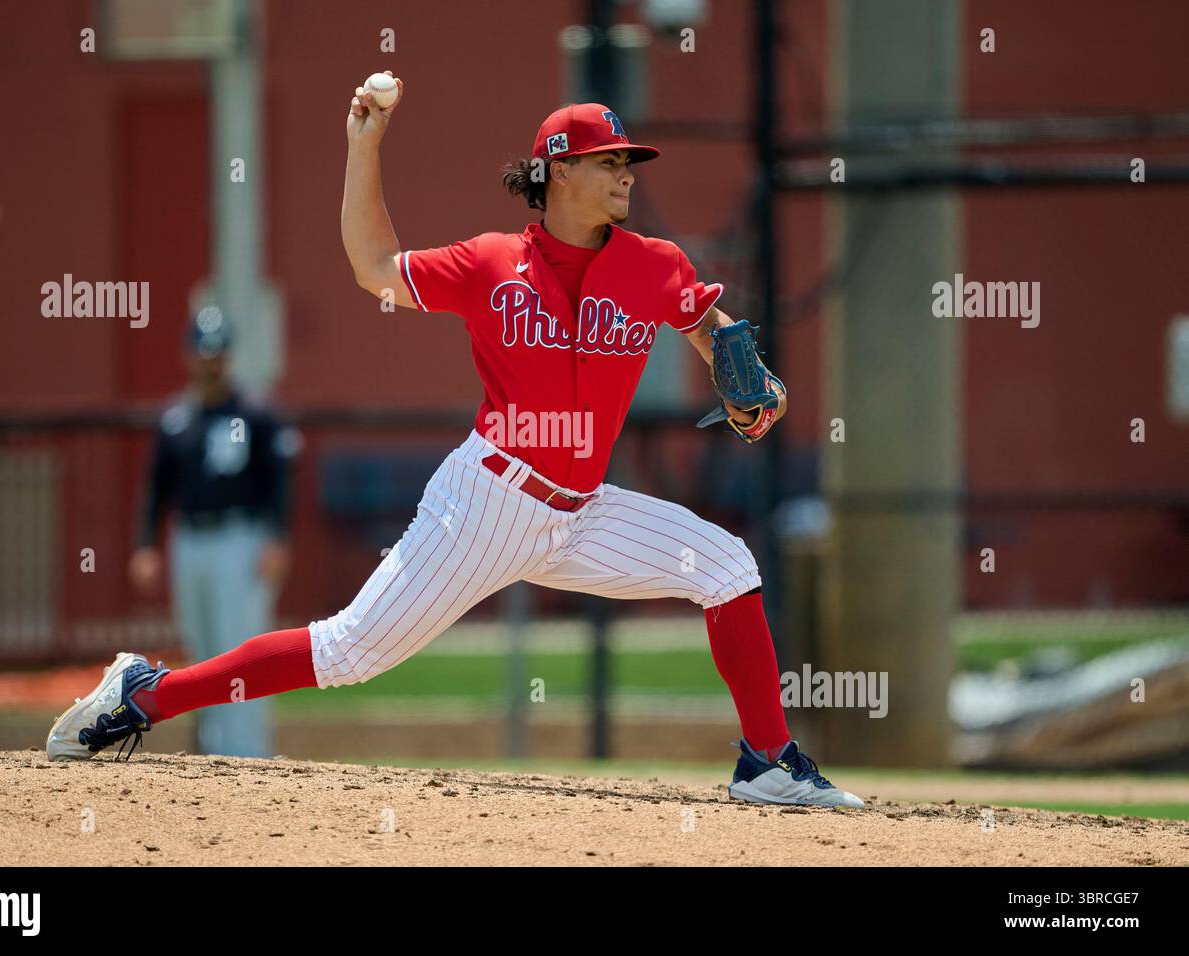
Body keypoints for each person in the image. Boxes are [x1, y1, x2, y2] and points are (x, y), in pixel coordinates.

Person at [47, 74, 863, 808]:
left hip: (579, 512)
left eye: (628, 160)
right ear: (558, 172)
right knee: (348, 651)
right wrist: (364, 147)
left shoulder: (652, 264)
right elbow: (373, 266)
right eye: (608, 159)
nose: (626, 173)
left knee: (728, 566)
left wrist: (753, 387)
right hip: (486, 500)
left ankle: (767, 763)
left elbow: (708, 327)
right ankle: (145, 694)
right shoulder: (492, 263)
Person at [123, 307, 296, 758]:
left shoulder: (256, 413)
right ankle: (214, 752)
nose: (210, 361)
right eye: (203, 352)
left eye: (218, 353)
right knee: (200, 651)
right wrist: (145, 544)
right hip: (190, 540)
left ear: (229, 356)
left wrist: (278, 538)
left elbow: (281, 478)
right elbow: (156, 488)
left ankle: (249, 754)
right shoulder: (176, 418)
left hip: (240, 539)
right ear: (189, 356)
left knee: (239, 650)